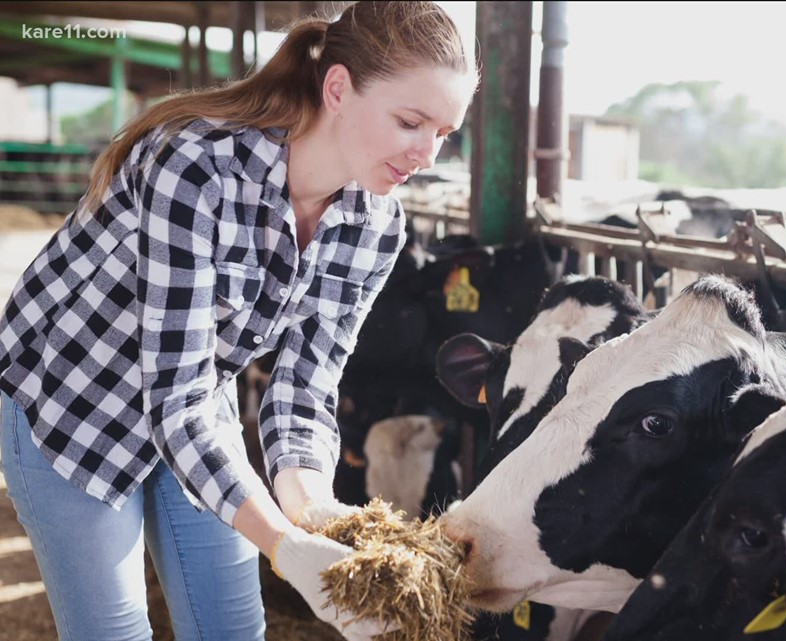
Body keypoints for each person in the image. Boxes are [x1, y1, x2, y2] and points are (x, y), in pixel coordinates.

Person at [0, 2, 476, 639]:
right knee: (114, 632)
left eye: (444, 133)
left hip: (196, 403)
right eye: (411, 122)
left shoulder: (376, 226)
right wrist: (279, 542)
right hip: (71, 402)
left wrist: (313, 512)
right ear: (338, 88)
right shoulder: (197, 166)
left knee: (232, 629)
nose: (427, 153)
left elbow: (305, 387)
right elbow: (174, 397)